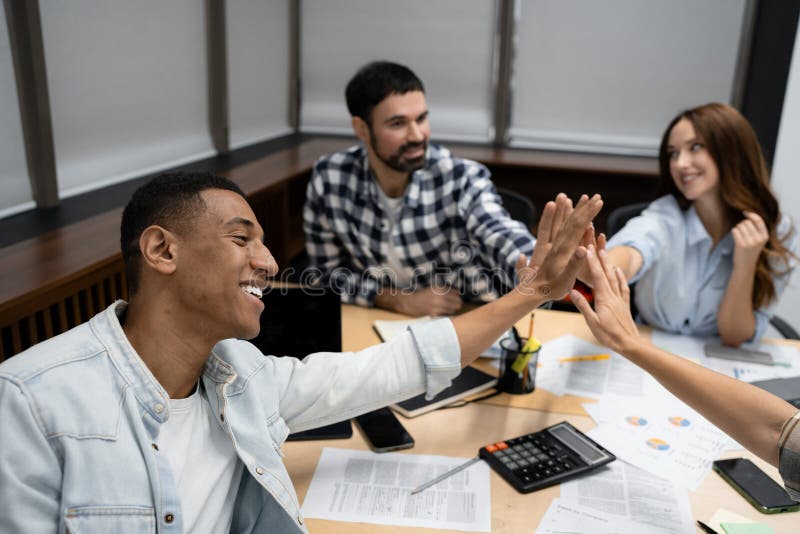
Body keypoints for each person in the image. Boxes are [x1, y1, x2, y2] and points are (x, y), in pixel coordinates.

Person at [0, 170, 602, 533]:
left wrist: (530, 295)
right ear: (161, 250)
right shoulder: (32, 402)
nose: (268, 262)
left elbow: (395, 365)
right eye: (242, 238)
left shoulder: (241, 375)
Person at [303, 61, 536, 317]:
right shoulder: (330, 179)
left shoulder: (461, 177)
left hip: (468, 319)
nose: (416, 135)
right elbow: (325, 276)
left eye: (422, 119)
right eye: (397, 124)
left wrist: (543, 263)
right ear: (361, 129)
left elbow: (500, 232)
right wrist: (396, 300)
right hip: (383, 323)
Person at [571, 243, 799, 500]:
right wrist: (594, 266)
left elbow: (781, 434)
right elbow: (781, 434)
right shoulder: (669, 217)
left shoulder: (769, 239)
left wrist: (630, 344)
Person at [599, 103, 797, 345]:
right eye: (673, 153)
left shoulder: (776, 231)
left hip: (717, 363)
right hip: (649, 350)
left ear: (732, 151)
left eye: (695, 147)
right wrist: (600, 267)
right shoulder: (666, 215)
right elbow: (632, 252)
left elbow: (734, 336)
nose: (680, 163)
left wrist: (744, 265)